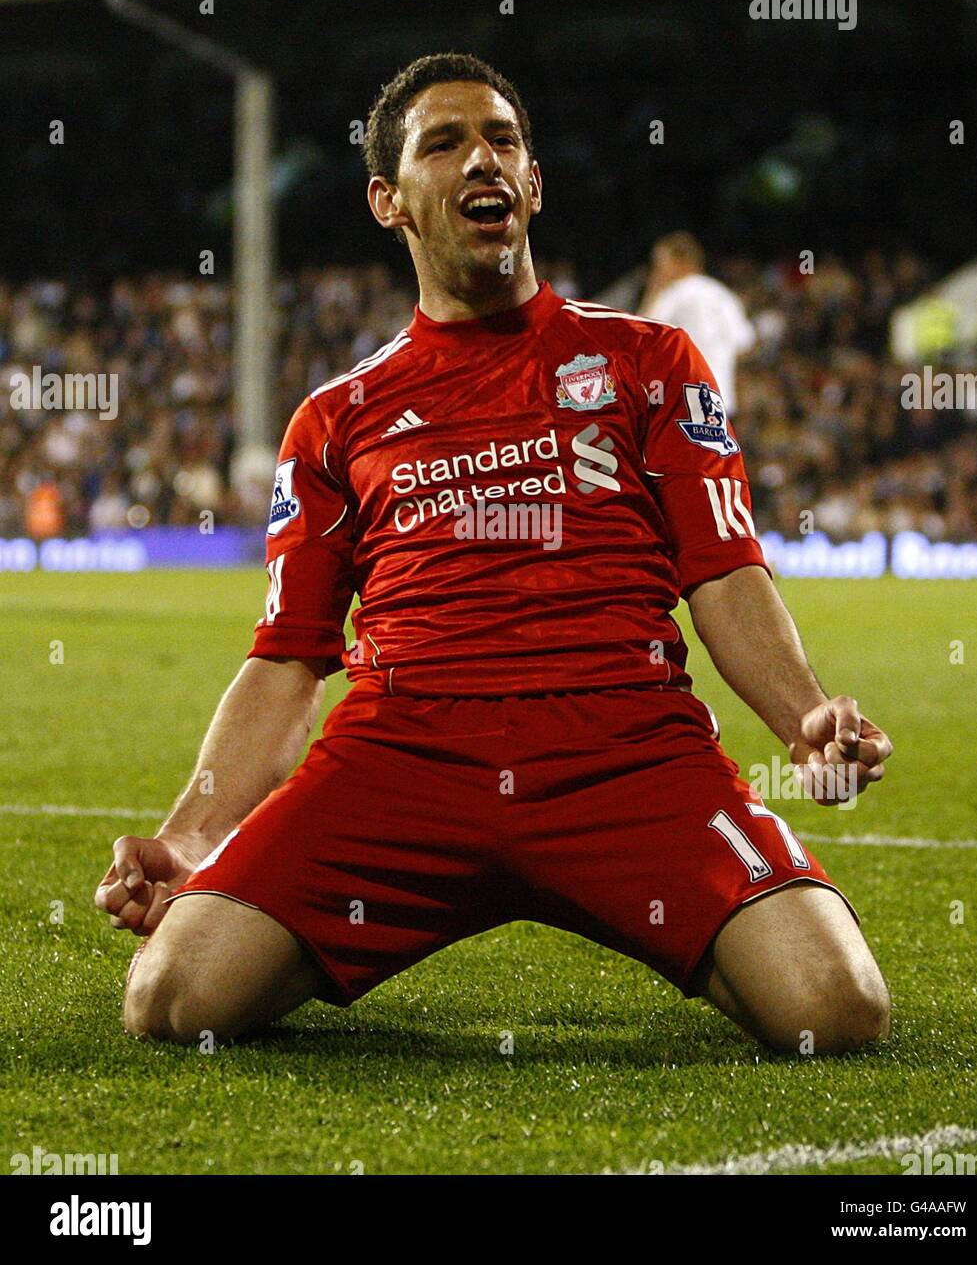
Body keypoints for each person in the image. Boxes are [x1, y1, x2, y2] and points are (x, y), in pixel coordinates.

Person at [96, 54, 892, 1054]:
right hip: (403, 759)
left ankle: (698, 925)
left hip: (624, 751)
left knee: (834, 1008)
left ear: (532, 185)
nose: (483, 158)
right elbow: (288, 655)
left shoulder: (647, 362)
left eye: (503, 140)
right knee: (171, 999)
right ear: (387, 200)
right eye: (444, 143)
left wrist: (802, 718)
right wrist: (188, 837)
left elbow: (723, 572)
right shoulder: (334, 419)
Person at [642, 232, 755, 413]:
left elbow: (644, 335)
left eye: (661, 262)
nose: (657, 270)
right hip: (720, 398)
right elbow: (745, 343)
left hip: (683, 399)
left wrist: (653, 290)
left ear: (680, 262)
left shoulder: (675, 292)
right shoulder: (722, 294)